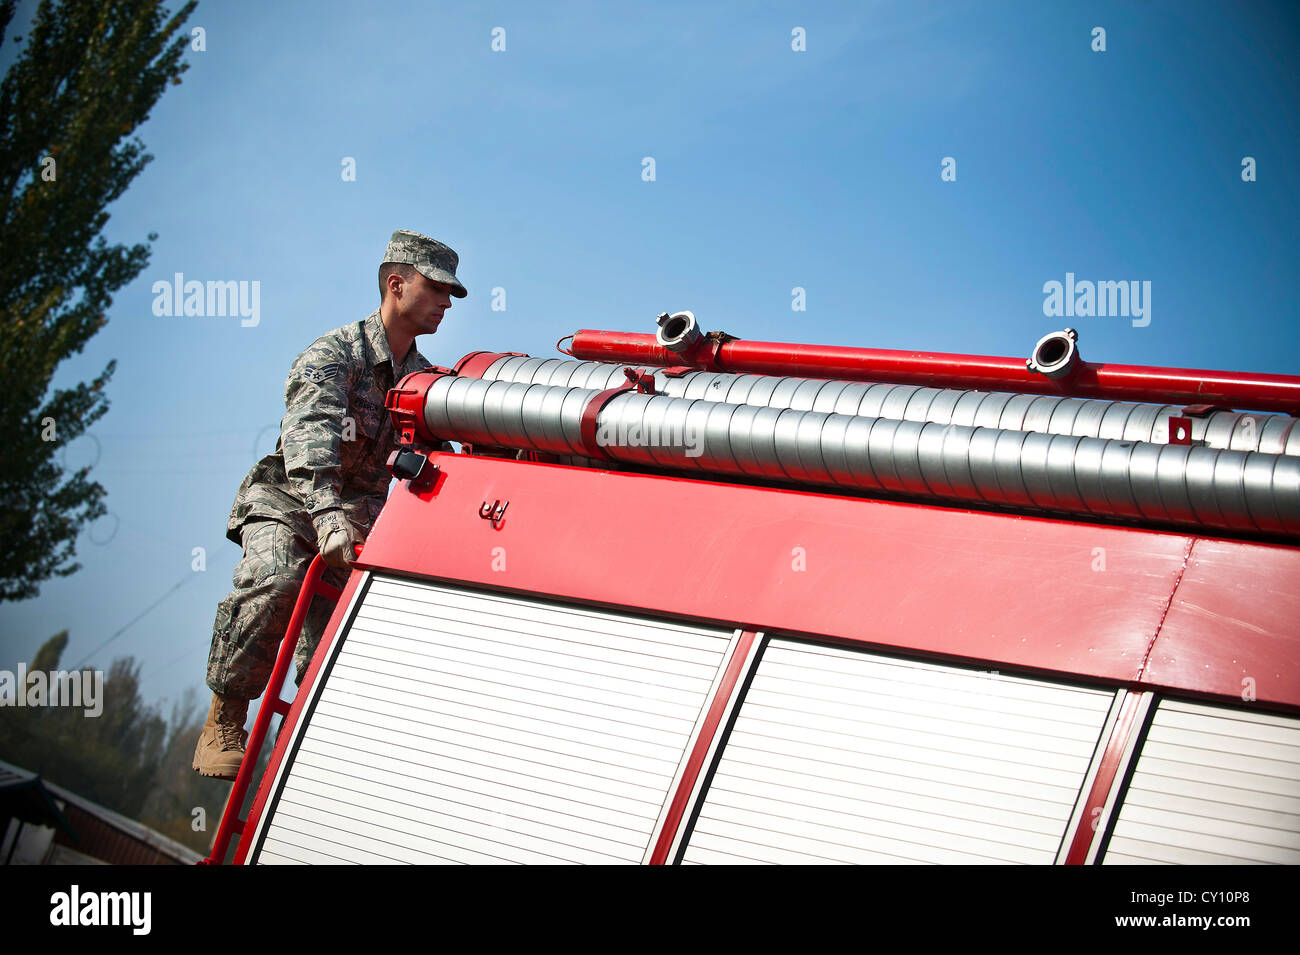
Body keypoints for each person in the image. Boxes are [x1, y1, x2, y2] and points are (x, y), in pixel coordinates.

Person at [193, 229, 467, 780]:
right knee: (276, 581)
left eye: (450, 296)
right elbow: (310, 437)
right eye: (436, 289)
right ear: (396, 284)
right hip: (291, 504)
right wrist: (325, 515)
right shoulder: (333, 355)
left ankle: (308, 759)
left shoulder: (423, 382)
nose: (445, 304)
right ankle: (226, 714)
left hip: (358, 528)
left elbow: (447, 452)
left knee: (341, 645)